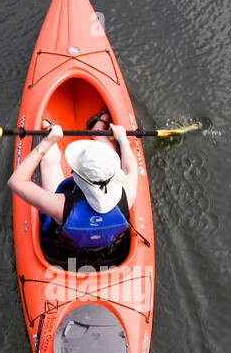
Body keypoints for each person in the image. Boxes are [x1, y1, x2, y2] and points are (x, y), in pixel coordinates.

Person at [7, 108, 137, 252]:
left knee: (50, 161)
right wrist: (122, 139)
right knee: (107, 159)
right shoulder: (128, 195)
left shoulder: (60, 205)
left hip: (65, 248)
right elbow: (130, 169)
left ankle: (51, 136)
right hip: (105, 250)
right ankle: (99, 134)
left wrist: (46, 143)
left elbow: (16, 181)